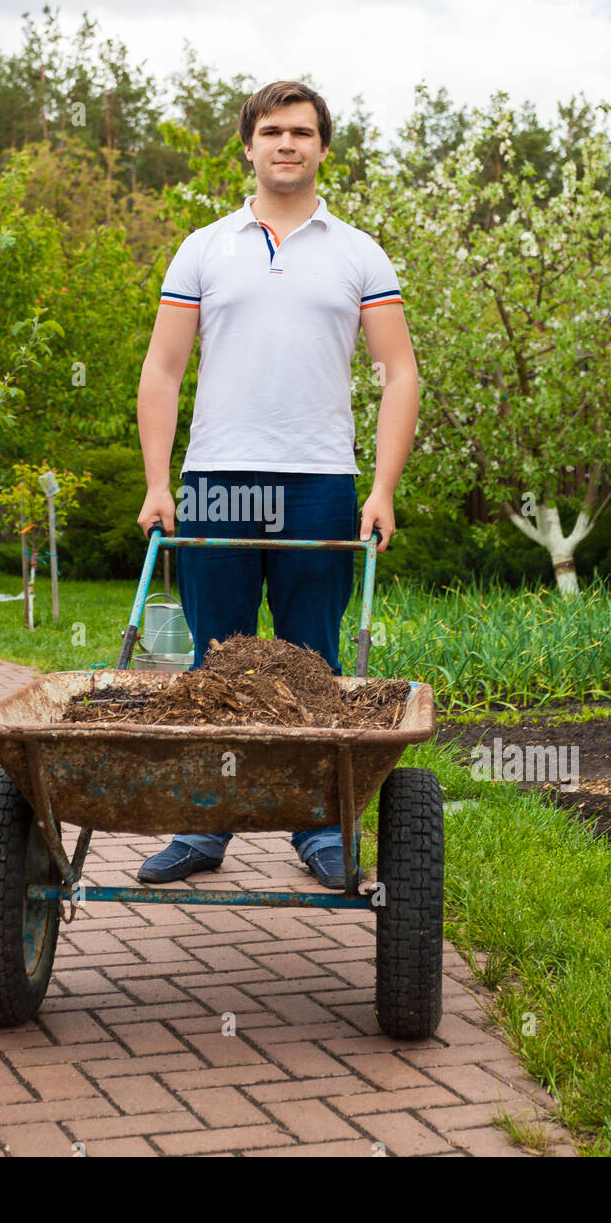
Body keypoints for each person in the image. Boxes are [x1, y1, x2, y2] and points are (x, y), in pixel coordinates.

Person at [133, 80, 419, 888]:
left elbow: (400, 374)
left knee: (311, 664)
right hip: (216, 477)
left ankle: (319, 829)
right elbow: (162, 370)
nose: (286, 143)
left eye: (301, 131)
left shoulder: (358, 252)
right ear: (249, 146)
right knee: (214, 663)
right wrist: (160, 484)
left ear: (323, 147)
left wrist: (382, 490)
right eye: (271, 131)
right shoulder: (204, 247)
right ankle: (203, 825)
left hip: (320, 481)